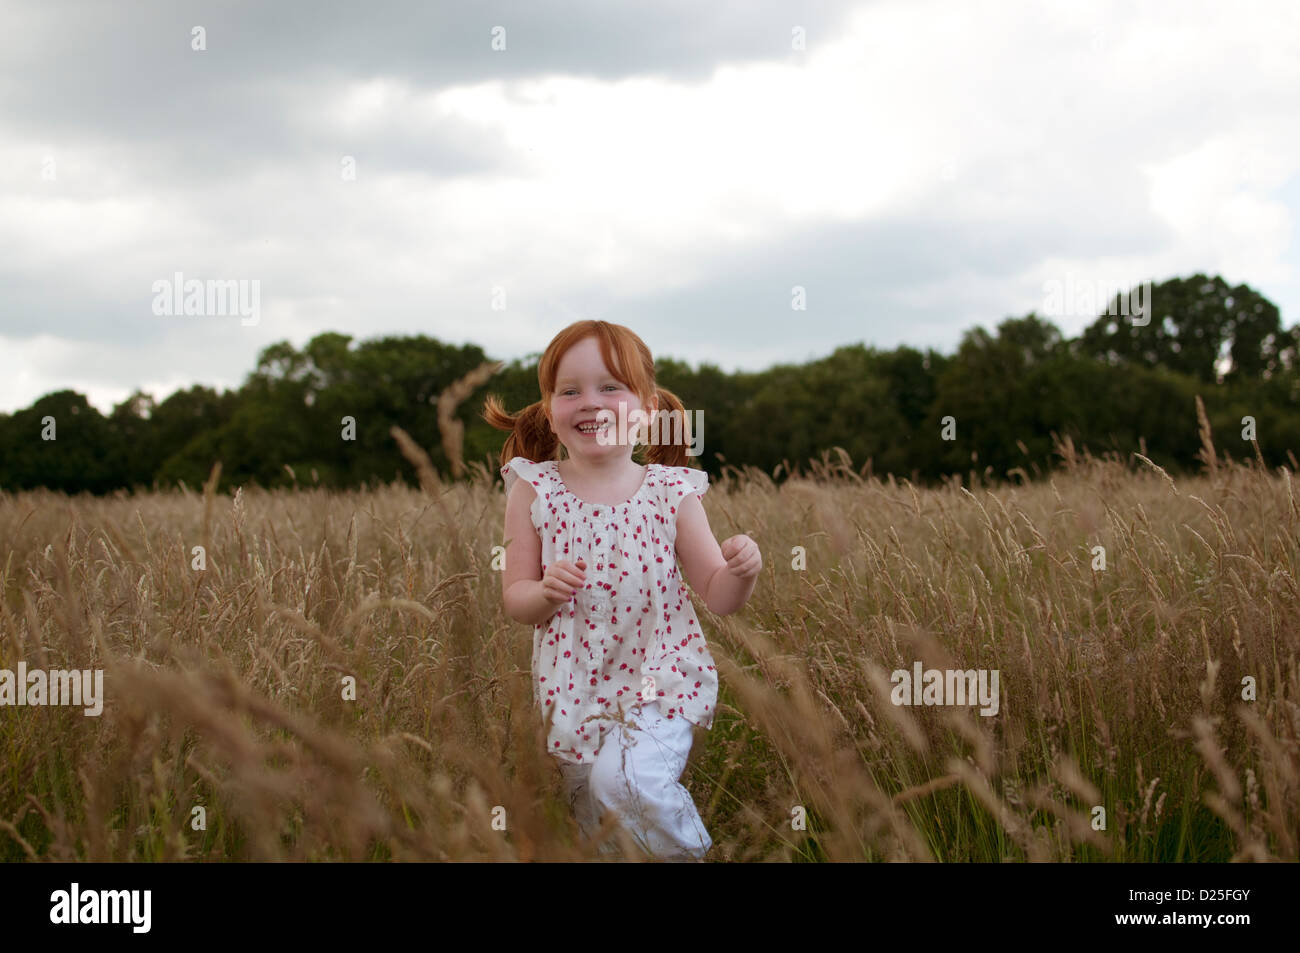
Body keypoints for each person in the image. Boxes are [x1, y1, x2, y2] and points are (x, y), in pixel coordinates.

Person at [483, 320, 762, 861]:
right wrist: (544, 592)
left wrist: (741, 572)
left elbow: (718, 595)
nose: (590, 403)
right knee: (600, 825)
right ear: (549, 408)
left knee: (626, 782)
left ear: (648, 406)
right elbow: (515, 598)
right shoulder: (534, 490)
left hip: (662, 681)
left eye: (611, 387)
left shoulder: (670, 492)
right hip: (573, 690)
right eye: (570, 390)